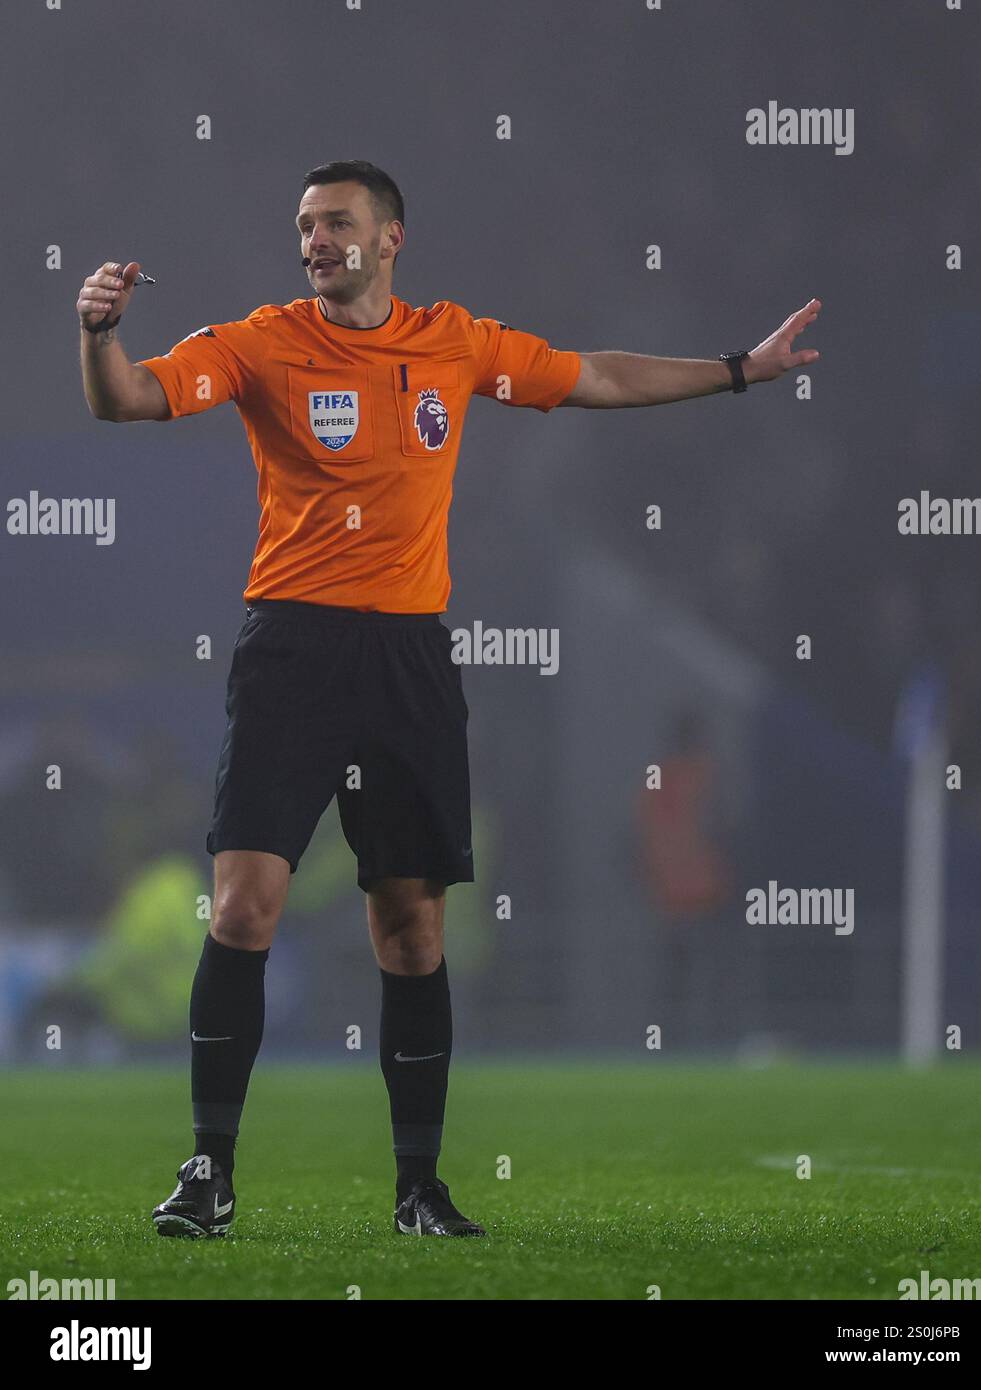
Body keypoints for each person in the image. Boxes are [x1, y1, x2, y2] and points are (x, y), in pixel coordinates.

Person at [77, 159, 820, 1239]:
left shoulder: (456, 342)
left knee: (412, 931)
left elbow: (594, 378)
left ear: (390, 239)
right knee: (242, 904)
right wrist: (99, 334)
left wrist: (738, 370)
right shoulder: (262, 341)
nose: (314, 240)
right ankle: (209, 1170)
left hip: (407, 659)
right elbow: (130, 399)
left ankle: (417, 1188)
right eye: (302, 224)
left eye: (335, 222)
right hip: (290, 645)